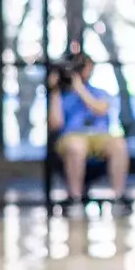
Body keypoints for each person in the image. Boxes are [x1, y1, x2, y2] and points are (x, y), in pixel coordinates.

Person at [47, 56, 129, 213]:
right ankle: (75, 198)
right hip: (71, 137)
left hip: (99, 137)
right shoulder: (62, 96)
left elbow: (100, 109)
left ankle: (118, 197)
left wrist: (79, 88)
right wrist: (55, 91)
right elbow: (55, 124)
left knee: (119, 144)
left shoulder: (98, 92)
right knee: (76, 146)